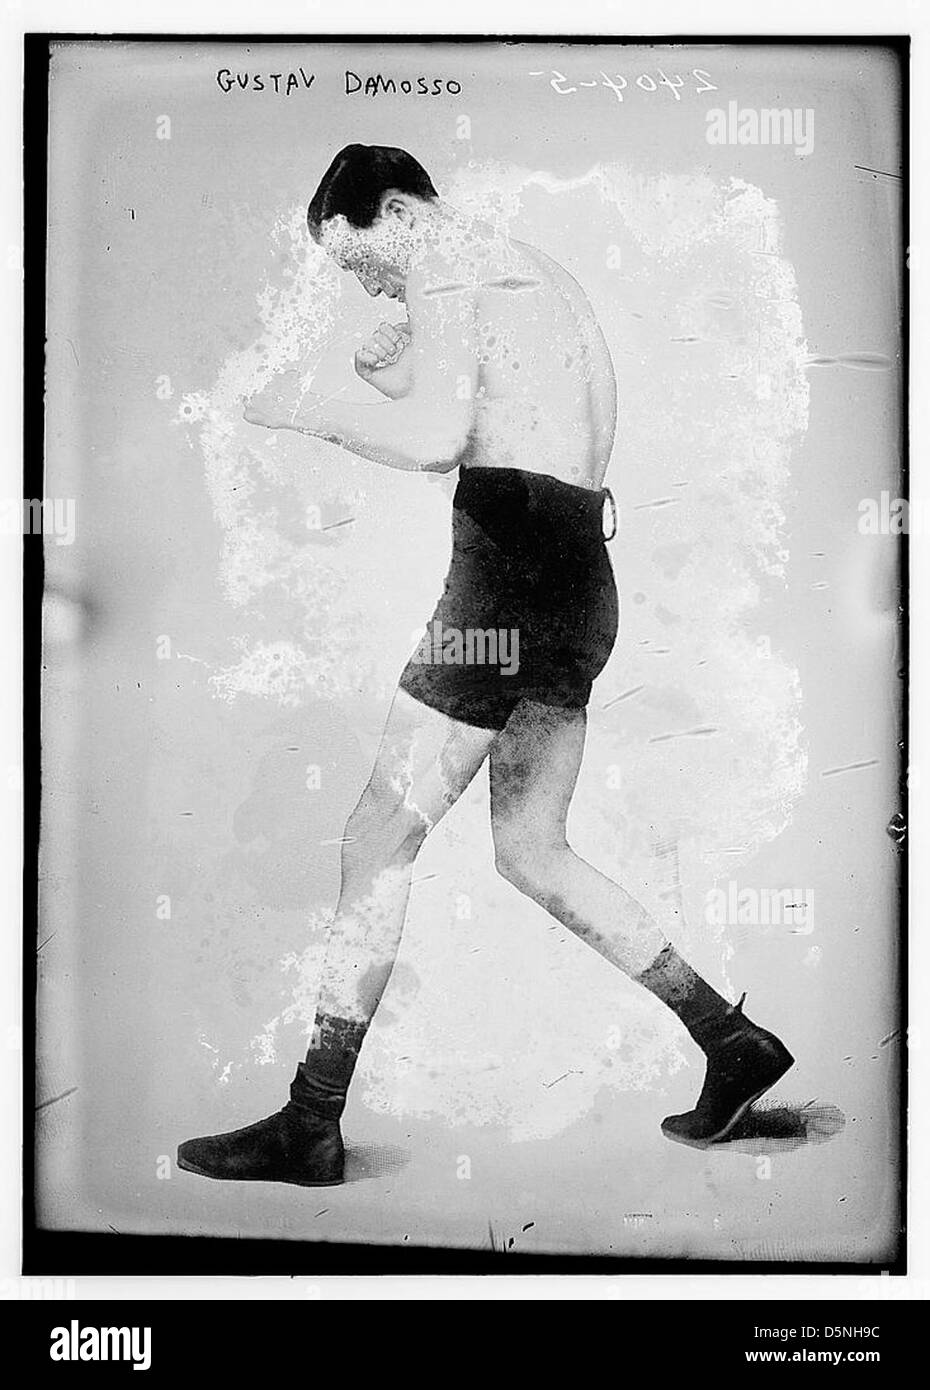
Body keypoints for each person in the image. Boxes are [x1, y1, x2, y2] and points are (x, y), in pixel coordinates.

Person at [177, 144, 793, 1187]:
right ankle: (731, 1041)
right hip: (578, 582)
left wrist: (305, 405)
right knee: (533, 848)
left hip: (504, 579)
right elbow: (518, 406)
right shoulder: (537, 272)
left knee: (379, 835)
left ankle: (310, 1122)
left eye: (360, 256)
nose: (365, 281)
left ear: (403, 209)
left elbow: (434, 438)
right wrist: (399, 354)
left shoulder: (449, 261)